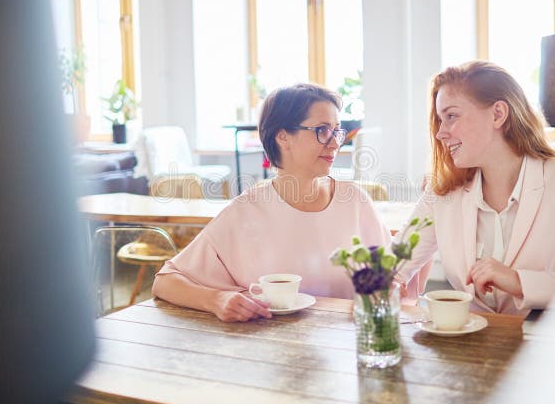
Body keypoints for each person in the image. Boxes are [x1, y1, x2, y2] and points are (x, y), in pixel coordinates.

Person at [152, 83, 430, 322]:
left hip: (347, 355)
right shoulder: (246, 210)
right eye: (322, 130)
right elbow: (165, 281)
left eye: (337, 131)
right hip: (272, 357)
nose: (335, 143)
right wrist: (217, 300)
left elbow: (391, 282)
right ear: (283, 136)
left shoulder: (355, 201)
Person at [394, 61, 555, 315]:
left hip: (549, 349)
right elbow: (392, 265)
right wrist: (385, 284)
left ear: (498, 114)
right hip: (464, 350)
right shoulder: (442, 193)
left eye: (451, 116)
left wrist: (520, 282)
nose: (441, 133)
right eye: (440, 120)